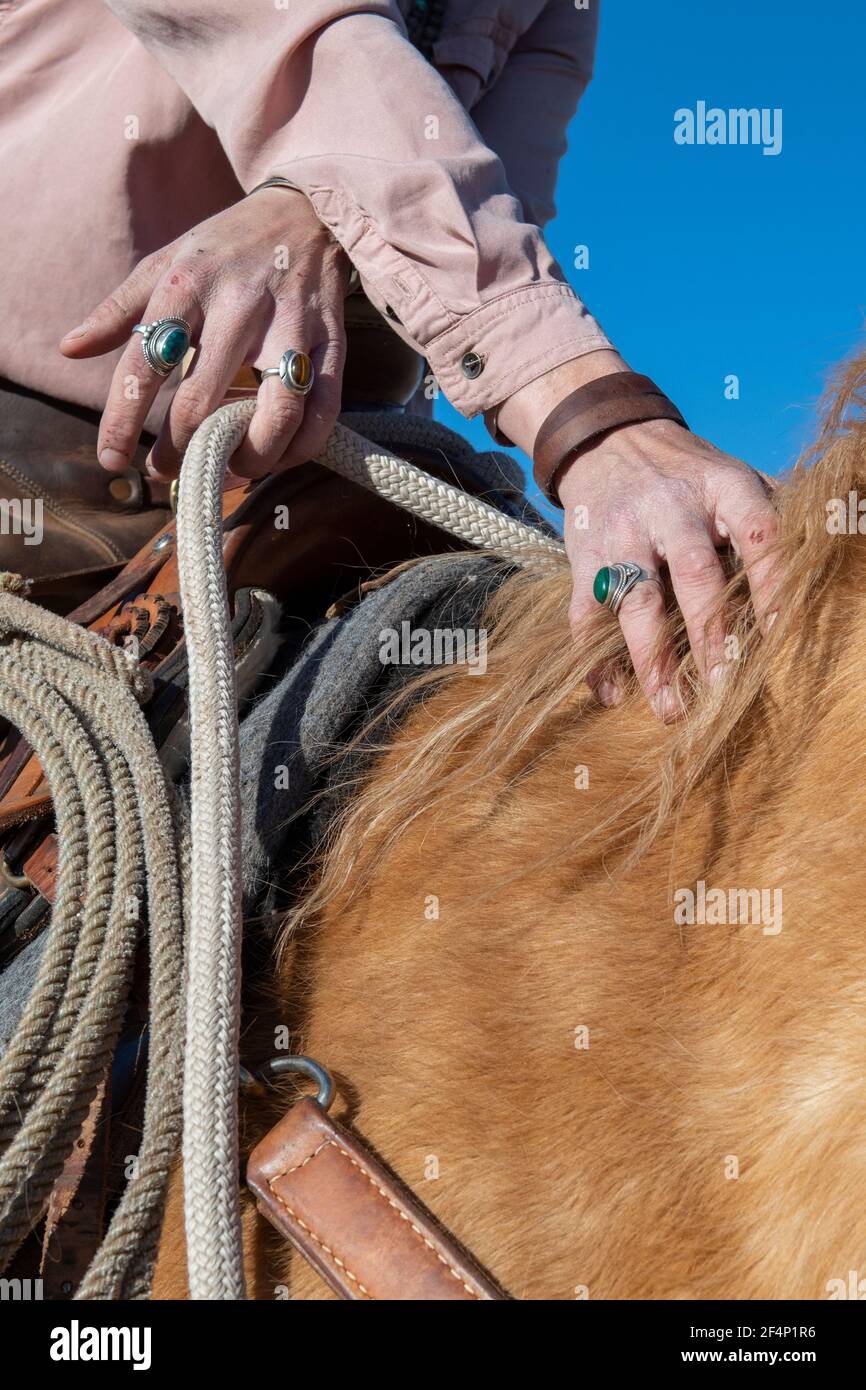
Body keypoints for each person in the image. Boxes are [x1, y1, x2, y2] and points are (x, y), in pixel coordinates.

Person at [0, 0, 778, 719]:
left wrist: (314, 210)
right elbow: (297, 41)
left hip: (328, 469)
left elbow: (499, 206)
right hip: (40, 456)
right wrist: (590, 415)